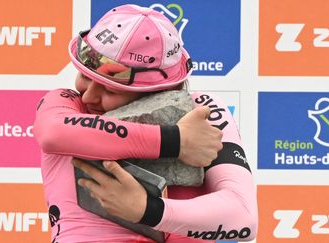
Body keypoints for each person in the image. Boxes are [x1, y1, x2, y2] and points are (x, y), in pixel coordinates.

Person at [34, 4, 257, 243]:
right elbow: (52, 134)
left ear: (157, 91)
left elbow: (243, 218)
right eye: (85, 76)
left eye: (111, 89)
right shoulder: (67, 104)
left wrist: (147, 210)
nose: (88, 96)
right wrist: (176, 141)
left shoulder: (202, 109)